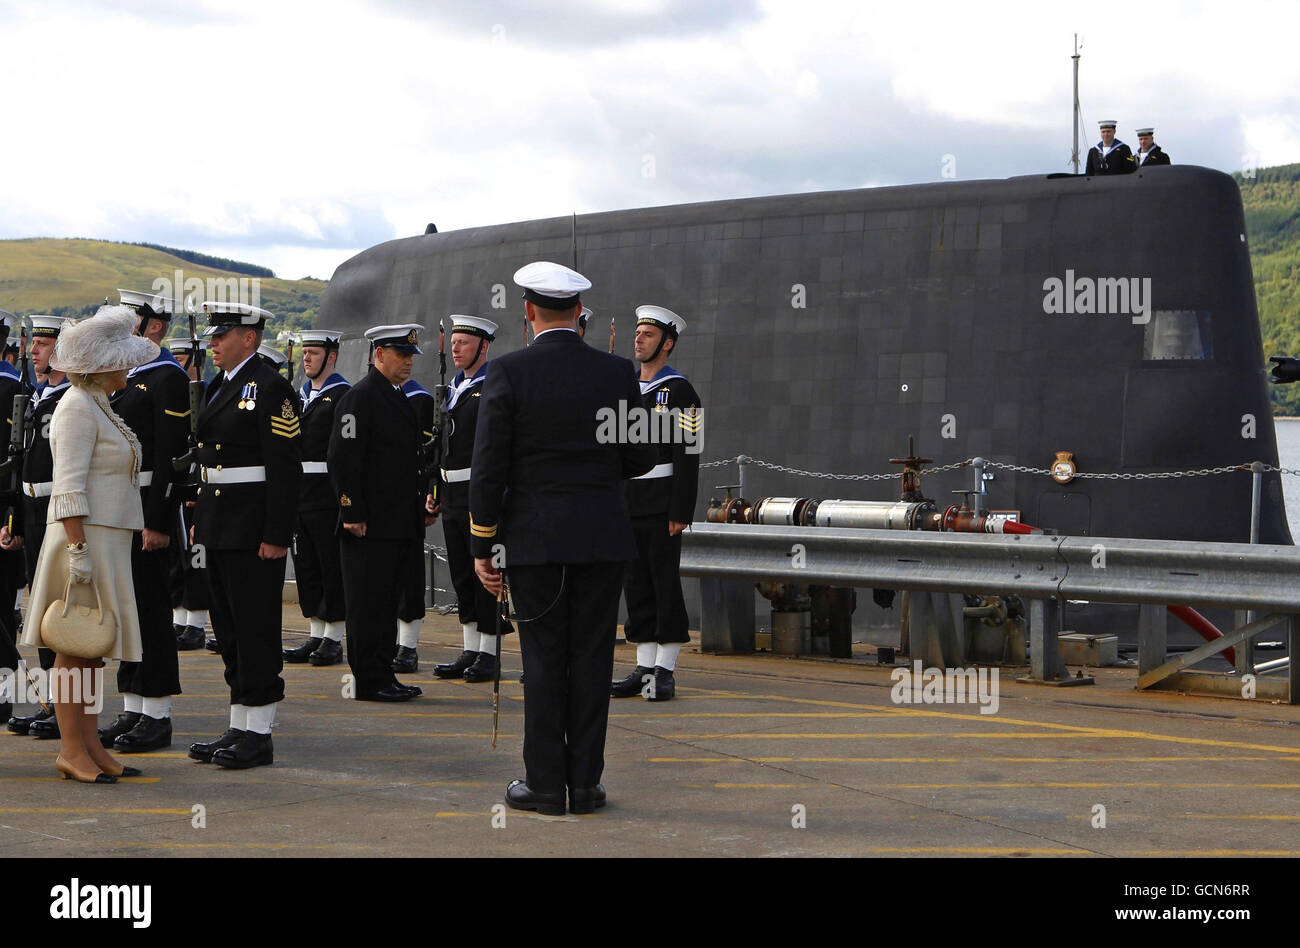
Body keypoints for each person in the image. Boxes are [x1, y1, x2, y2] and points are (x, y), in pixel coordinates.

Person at [471, 261, 655, 816]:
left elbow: (487, 469)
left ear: (527, 311)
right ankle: (587, 784)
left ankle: (545, 784)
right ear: (579, 312)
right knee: (593, 659)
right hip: (601, 537)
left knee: (544, 659)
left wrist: (483, 545)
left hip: (534, 543)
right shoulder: (618, 373)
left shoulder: (506, 373)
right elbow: (642, 457)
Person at [22, 305, 160, 782]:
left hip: (103, 538)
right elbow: (69, 486)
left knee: (90, 647)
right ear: (104, 366)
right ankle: (70, 749)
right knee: (71, 646)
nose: (128, 366)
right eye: (121, 359)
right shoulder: (77, 407)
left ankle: (90, 743)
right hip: (84, 538)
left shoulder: (97, 403)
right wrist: (78, 552)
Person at [186, 300, 301, 770]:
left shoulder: (272, 387)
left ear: (248, 337)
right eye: (213, 335)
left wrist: (276, 533)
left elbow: (285, 467)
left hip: (253, 528)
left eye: (222, 334)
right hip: (220, 523)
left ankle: (260, 732)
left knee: (255, 630)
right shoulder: (223, 384)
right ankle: (239, 723)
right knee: (229, 630)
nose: (212, 343)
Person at [96, 290, 190, 754]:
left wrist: (158, 521)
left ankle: (157, 715)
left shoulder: (167, 377)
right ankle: (132, 706)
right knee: (127, 613)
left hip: (146, 512)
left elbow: (172, 457)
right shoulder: (126, 378)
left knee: (152, 613)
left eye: (133, 320)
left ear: (153, 327)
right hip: (120, 508)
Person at [327, 324, 431, 701]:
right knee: (368, 604)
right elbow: (343, 458)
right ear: (379, 354)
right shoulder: (361, 398)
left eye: (410, 356)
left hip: (397, 522)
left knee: (387, 602)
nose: (407, 363)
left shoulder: (396, 397)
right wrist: (351, 510)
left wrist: (421, 506)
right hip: (368, 524)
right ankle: (369, 679)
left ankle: (383, 674)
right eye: (401, 355)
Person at [611, 305, 701, 703]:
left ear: (667, 343)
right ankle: (644, 666)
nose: (638, 340)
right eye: (637, 333)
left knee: (664, 584)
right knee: (637, 585)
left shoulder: (681, 391)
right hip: (627, 501)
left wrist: (680, 511)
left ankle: (665, 669)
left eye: (647, 335)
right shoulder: (626, 386)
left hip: (662, 502)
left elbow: (689, 454)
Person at [430, 315, 514, 683]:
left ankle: (489, 652)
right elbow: (440, 444)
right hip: (451, 491)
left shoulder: (493, 386)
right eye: (454, 342)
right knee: (462, 572)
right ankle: (470, 647)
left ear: (484, 345)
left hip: (480, 491)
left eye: (464, 341)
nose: (456, 347)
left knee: (487, 574)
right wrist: (434, 489)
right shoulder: (452, 388)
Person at [4, 315, 69, 738]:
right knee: (41, 614)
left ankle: (66, 709)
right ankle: (49, 702)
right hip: (31, 507)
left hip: (58, 510)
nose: (33, 351)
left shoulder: (69, 400)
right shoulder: (37, 397)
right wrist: (15, 520)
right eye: (34, 344)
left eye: (43, 345)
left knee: (61, 617)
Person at [284, 330, 350, 666]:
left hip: (326, 494)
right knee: (307, 566)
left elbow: (345, 452)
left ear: (331, 356)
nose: (307, 358)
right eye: (305, 352)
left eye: (314, 352)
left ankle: (334, 636)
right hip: (300, 493)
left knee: (330, 566)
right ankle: (316, 632)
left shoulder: (342, 396)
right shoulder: (298, 397)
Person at [166, 336, 212, 651]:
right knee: (178, 558)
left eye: (185, 360)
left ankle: (195, 624)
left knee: (197, 559)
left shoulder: (206, 397)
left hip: (201, 487)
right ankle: (180, 618)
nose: (179, 366)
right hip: (180, 486)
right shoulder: (175, 396)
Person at [392, 374, 435, 672]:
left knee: (408, 577)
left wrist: (430, 495)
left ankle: (407, 645)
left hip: (407, 498)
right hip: (377, 501)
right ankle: (389, 641)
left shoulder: (419, 400)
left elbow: (427, 454)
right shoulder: (368, 397)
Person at [0, 312, 27, 725]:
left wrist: (9, 519)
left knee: (2, 611)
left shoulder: (10, 388)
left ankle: (4, 694)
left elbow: (14, 462)